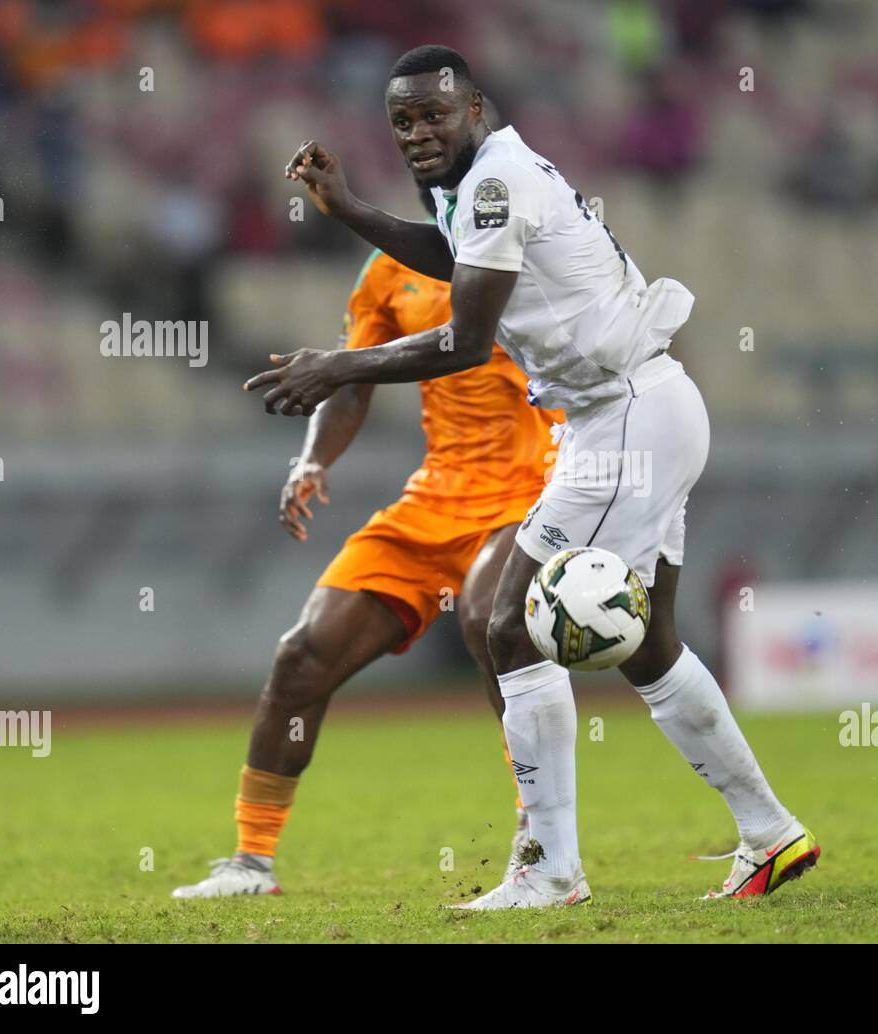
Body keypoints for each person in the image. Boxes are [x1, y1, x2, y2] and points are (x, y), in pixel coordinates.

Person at [249, 44, 817, 908]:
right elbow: (453, 259)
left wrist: (339, 366)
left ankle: (550, 869)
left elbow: (466, 341)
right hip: (640, 411)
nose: (418, 132)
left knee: (509, 623)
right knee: (652, 649)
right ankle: (771, 833)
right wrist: (352, 209)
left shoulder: (492, 182)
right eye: (402, 120)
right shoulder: (482, 183)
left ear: (475, 107)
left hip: (623, 418)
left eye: (435, 113)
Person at [172, 187, 563, 898]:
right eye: (408, 131)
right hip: (435, 498)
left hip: (531, 491)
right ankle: (250, 863)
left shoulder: (526, 252)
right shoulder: (387, 271)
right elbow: (350, 383)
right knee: (301, 656)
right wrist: (312, 460)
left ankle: (541, 842)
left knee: (488, 621)